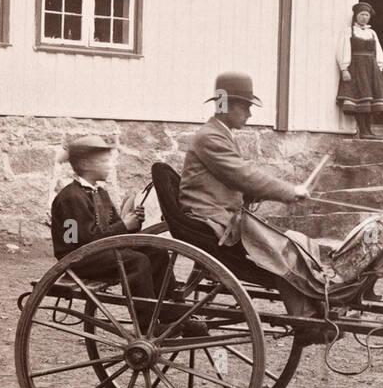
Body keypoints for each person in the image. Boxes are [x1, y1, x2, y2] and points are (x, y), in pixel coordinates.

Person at [179, 72, 325, 328]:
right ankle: (304, 320)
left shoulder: (221, 134)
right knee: (284, 250)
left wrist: (258, 192)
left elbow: (236, 179)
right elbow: (242, 175)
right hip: (212, 218)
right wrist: (290, 191)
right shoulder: (210, 137)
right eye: (245, 106)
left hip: (224, 214)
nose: (249, 113)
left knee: (298, 245)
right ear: (224, 104)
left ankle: (316, 306)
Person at [50, 134, 170, 317]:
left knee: (156, 251)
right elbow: (77, 242)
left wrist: (133, 222)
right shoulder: (70, 198)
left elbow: (114, 227)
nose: (110, 165)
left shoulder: (100, 193)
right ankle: (146, 322)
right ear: (85, 165)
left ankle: (171, 311)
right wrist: (124, 226)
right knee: (137, 261)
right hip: (79, 259)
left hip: (99, 252)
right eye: (104, 161)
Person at [336, 2, 383, 139]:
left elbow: (378, 51)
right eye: (362, 15)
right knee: (359, 98)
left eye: (367, 15)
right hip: (356, 68)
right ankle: (363, 130)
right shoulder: (349, 31)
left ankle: (369, 131)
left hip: (371, 68)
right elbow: (343, 50)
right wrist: (344, 68)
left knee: (371, 98)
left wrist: (379, 67)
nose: (364, 18)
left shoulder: (372, 33)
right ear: (356, 16)